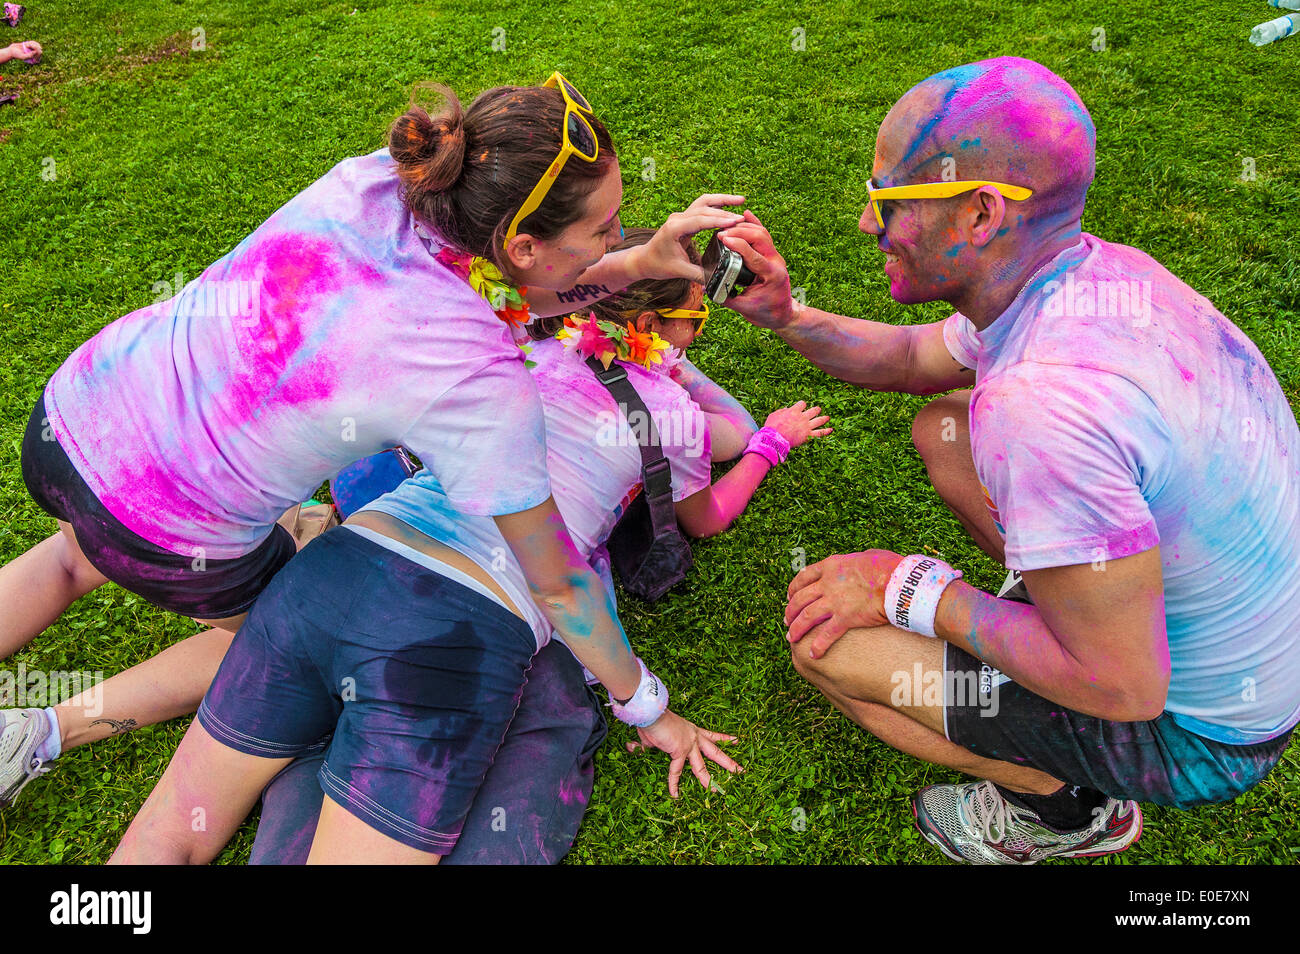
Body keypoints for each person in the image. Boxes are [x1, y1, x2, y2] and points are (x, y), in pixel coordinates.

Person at [0, 74, 743, 806]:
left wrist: (637, 266)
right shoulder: (474, 376)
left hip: (79, 413)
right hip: (170, 525)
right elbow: (558, 583)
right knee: (282, 640)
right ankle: (41, 732)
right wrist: (647, 706)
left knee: (73, 556)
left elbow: (506, 289)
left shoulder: (389, 180)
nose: (617, 236)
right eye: (605, 230)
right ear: (519, 243)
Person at [718, 56, 1300, 864]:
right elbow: (912, 359)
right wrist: (785, 314)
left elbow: (1127, 688)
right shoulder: (1092, 276)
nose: (865, 222)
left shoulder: (1040, 407)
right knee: (941, 429)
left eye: (888, 200)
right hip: (1218, 636)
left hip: (1200, 728)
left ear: (981, 213)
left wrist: (909, 588)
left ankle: (1068, 810)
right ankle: (1061, 612)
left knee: (831, 646)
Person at [110, 231, 830, 863]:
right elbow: (706, 494)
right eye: (695, 317)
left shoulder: (513, 349)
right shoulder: (669, 415)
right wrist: (768, 440)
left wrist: (637, 338)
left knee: (168, 835)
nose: (700, 330)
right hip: (451, 637)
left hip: (333, 572)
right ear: (647, 324)